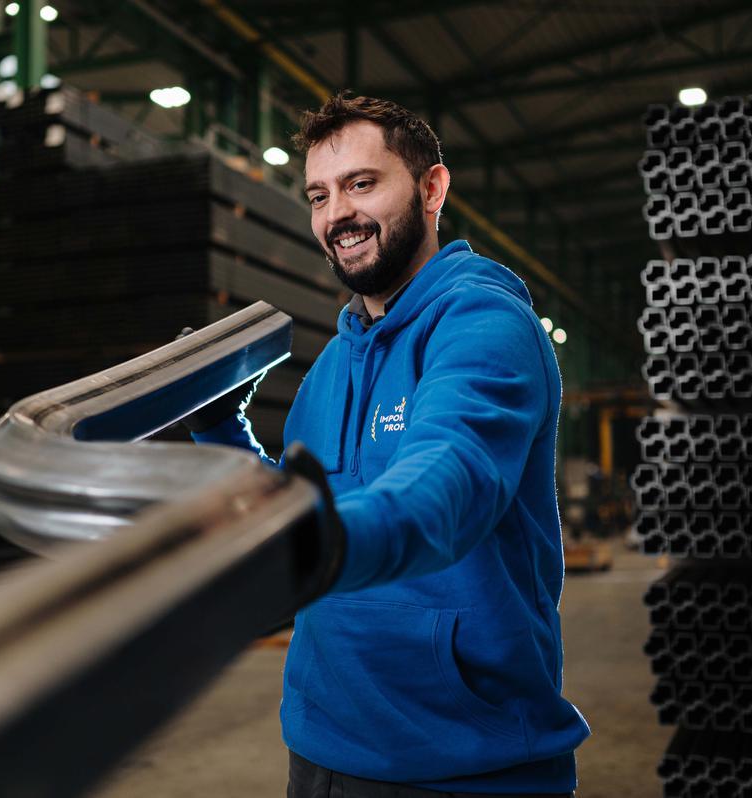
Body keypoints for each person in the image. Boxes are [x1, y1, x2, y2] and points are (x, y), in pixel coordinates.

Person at [186, 93, 589, 797]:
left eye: (361, 184)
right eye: (318, 195)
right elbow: (286, 520)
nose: (335, 213)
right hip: (318, 746)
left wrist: (327, 538)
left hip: (464, 764)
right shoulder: (328, 372)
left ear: (432, 188)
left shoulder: (484, 324)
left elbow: (450, 476)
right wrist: (220, 427)